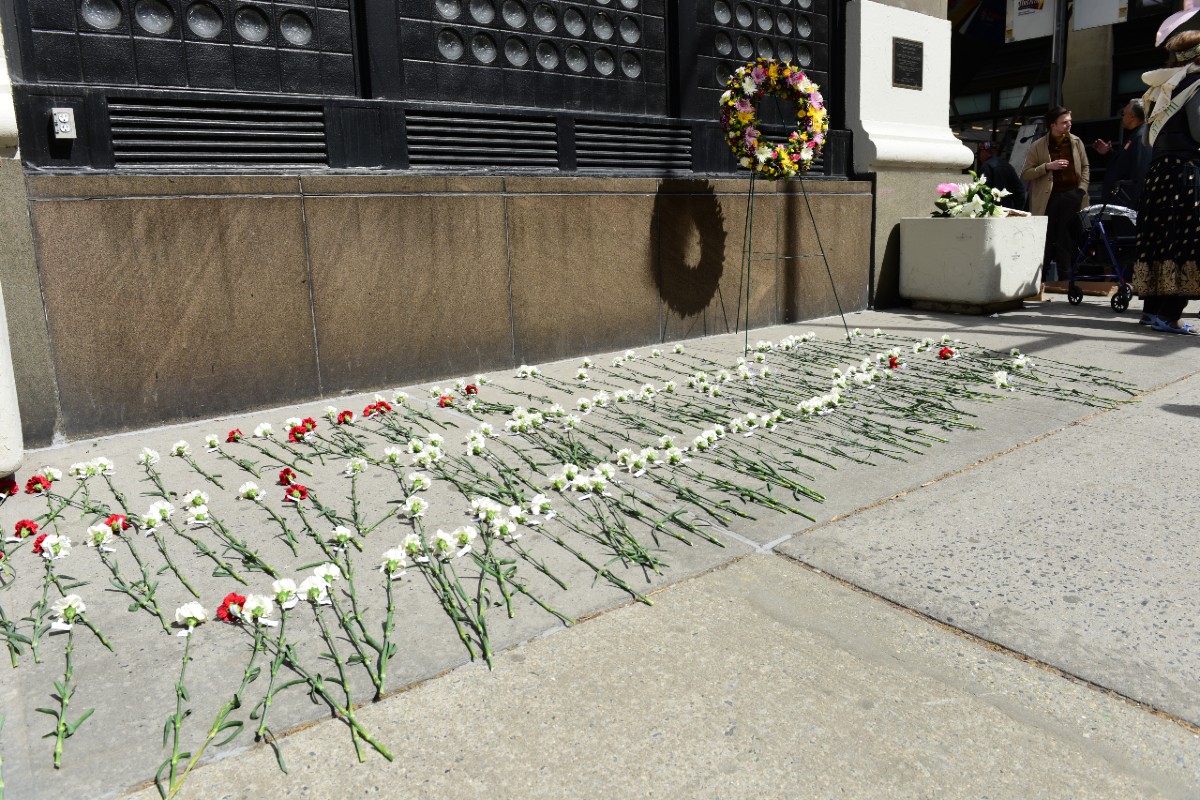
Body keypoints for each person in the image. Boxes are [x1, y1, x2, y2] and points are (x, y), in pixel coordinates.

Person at [1133, 12, 1200, 334]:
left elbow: (1148, 137)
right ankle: (1169, 314)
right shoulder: (1196, 84)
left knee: (1158, 240)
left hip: (1159, 172)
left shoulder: (1161, 88)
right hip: (1186, 174)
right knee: (1186, 243)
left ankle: (1151, 311)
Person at [1021, 106, 1090, 282]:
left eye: (1069, 121)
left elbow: (1085, 167)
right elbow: (1026, 173)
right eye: (1064, 122)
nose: (1069, 124)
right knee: (1045, 238)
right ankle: (1039, 281)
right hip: (1048, 199)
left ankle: (1065, 282)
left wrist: (1081, 189)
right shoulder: (1038, 146)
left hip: (1072, 196)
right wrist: (1047, 167)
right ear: (1053, 125)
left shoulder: (1076, 142)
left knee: (1065, 240)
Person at [1091, 99, 1153, 209]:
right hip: (1122, 203)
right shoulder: (1134, 135)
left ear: (1133, 116)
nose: (1122, 117)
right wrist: (1108, 153)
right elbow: (1124, 163)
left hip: (1128, 205)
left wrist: (1131, 204)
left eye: (1123, 114)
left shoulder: (1141, 137)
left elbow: (1140, 173)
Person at [977, 142, 1026, 210]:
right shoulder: (1008, 166)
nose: (980, 156)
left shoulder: (986, 166)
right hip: (1008, 211)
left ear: (984, 152)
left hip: (992, 211)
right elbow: (1019, 191)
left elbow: (982, 192)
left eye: (980, 152)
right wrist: (1017, 209)